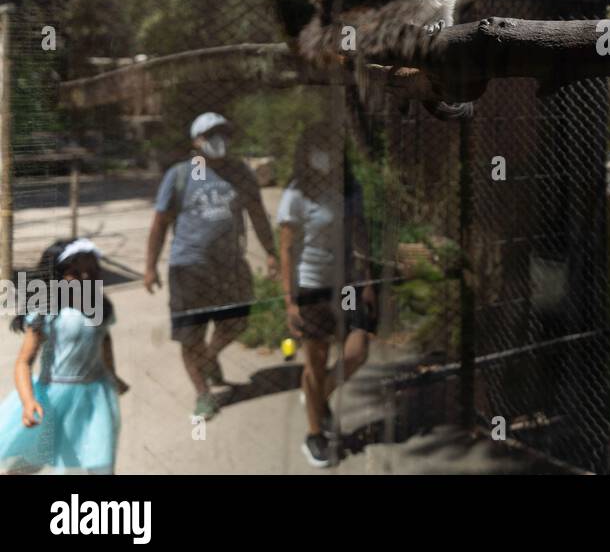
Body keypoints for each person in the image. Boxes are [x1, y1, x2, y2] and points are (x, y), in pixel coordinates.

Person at [145, 112, 278, 420]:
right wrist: (150, 267)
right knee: (191, 334)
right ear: (196, 141)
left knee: (237, 321)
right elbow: (159, 224)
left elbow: (258, 214)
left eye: (223, 133)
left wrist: (271, 252)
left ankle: (209, 356)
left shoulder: (241, 173)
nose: (219, 140)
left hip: (231, 265)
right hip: (189, 267)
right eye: (210, 135)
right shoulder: (180, 175)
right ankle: (203, 395)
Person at [277, 123, 376, 468]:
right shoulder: (296, 194)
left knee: (359, 348)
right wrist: (290, 301)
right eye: (317, 148)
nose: (324, 155)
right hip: (312, 287)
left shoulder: (350, 189)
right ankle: (314, 434)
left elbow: (360, 235)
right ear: (305, 154)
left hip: (347, 286)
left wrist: (368, 280)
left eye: (330, 147)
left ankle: (318, 400)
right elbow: (287, 251)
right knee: (314, 362)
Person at [0, 239, 128, 474]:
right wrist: (28, 402)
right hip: (54, 397)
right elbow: (23, 362)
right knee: (34, 456)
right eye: (75, 273)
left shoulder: (101, 307)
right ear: (57, 276)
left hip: (95, 396)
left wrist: (112, 373)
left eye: (93, 271)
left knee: (98, 457)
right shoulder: (45, 312)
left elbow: (104, 340)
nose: (86, 278)